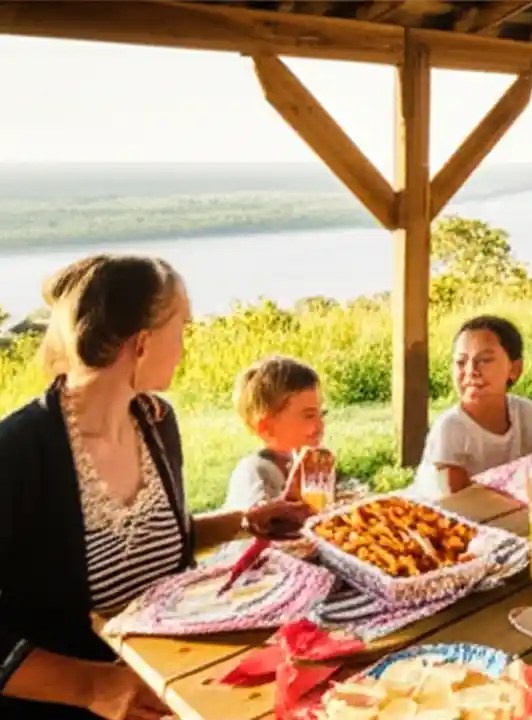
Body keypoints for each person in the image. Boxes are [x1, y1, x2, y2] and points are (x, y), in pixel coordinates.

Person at [0, 255, 311, 720]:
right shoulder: (19, 451)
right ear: (142, 344)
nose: (185, 347)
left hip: (177, 684)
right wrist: (92, 686)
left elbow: (144, 548)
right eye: (182, 328)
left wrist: (241, 522)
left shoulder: (157, 424)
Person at [412, 315, 532, 499]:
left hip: (506, 512)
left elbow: (529, 474)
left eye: (484, 360)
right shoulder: (450, 428)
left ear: (514, 369)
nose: (471, 371)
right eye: (461, 362)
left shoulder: (523, 411)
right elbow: (458, 501)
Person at [222, 355, 327, 511]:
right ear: (266, 428)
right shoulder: (254, 472)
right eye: (309, 415)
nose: (320, 425)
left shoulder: (311, 466)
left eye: (322, 414)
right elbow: (259, 521)